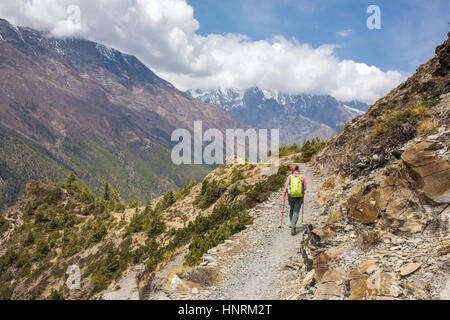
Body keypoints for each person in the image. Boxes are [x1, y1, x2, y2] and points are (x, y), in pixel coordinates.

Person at [284, 165, 307, 235]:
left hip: (291, 195)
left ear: (293, 170)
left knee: (292, 208)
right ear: (298, 169)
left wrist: (285, 192)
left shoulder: (290, 177)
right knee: (296, 210)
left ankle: (292, 224)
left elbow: (286, 187)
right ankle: (293, 227)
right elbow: (305, 187)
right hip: (299, 196)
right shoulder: (302, 177)